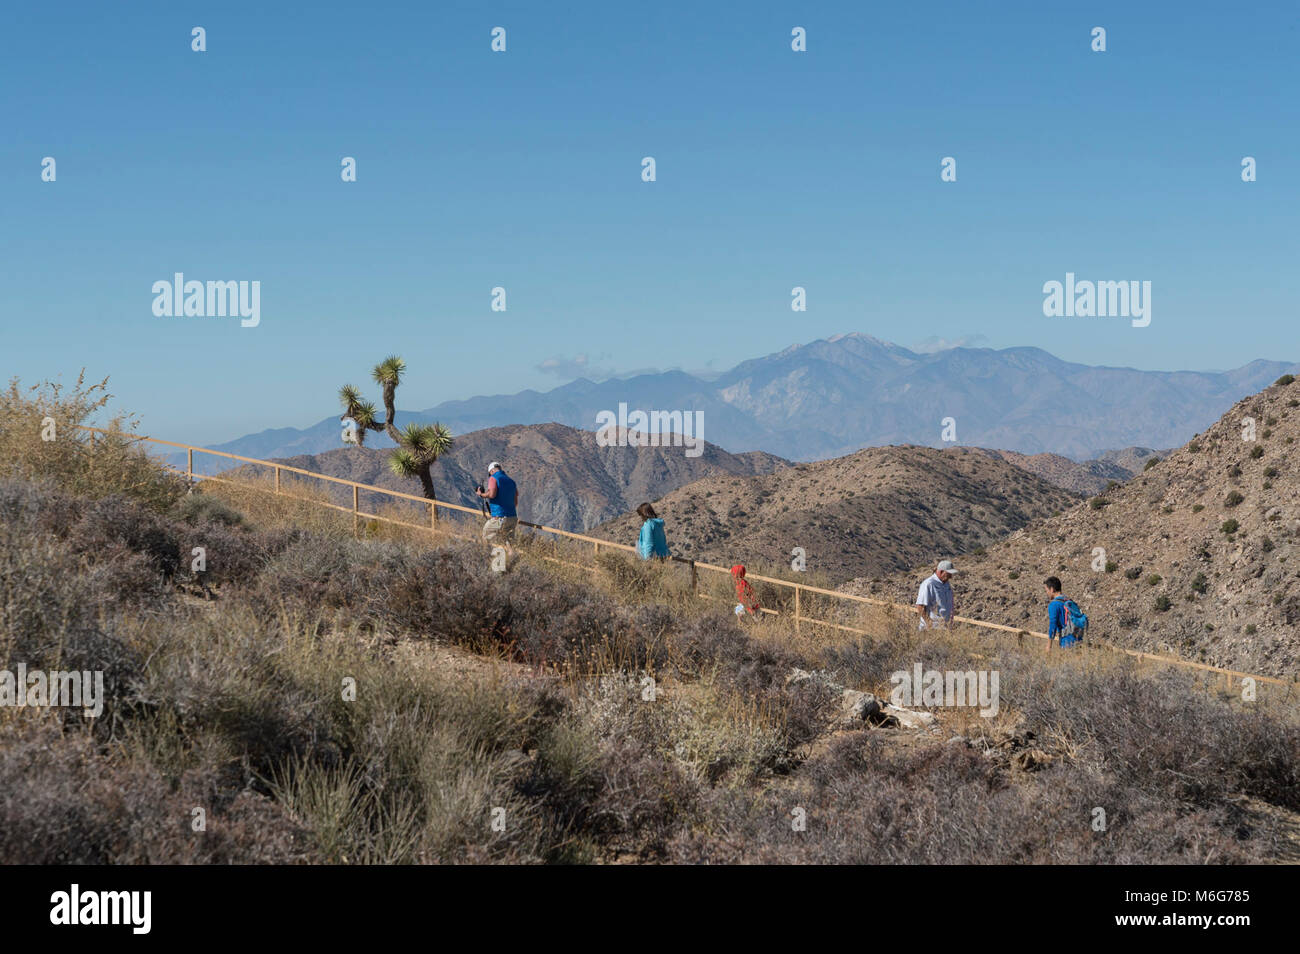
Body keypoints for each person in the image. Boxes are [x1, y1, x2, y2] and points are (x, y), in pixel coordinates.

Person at [475, 461, 518, 552]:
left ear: (491, 471)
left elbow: (492, 494)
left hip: (499, 517)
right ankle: (511, 561)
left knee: (485, 536)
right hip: (512, 517)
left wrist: (481, 494)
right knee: (509, 543)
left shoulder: (493, 478)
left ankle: (484, 558)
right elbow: (515, 502)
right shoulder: (512, 482)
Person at [915, 559, 957, 629]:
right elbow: (920, 606)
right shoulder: (929, 584)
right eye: (948, 574)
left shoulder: (947, 584)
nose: (951, 577)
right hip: (931, 629)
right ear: (941, 572)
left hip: (945, 628)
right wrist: (929, 623)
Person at [1045, 576, 1080, 648]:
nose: (1047, 593)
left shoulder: (1054, 604)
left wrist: (1048, 646)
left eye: (1046, 590)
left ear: (1052, 589)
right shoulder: (1069, 601)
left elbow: (1053, 625)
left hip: (1067, 642)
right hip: (1079, 640)